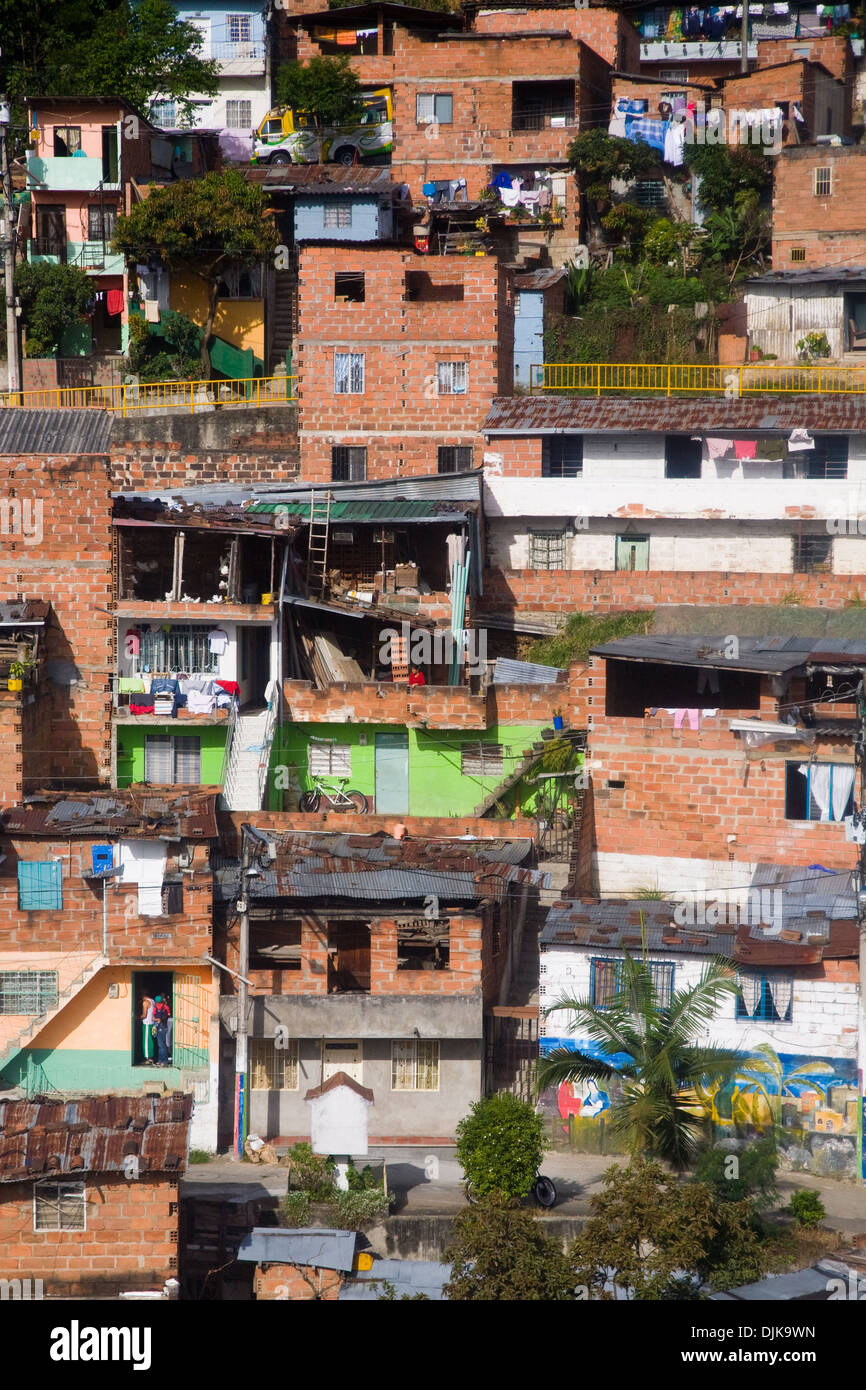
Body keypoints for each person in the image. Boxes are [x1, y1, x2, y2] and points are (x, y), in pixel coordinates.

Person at [152, 994, 171, 1066]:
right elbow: (169, 1014)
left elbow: (155, 1017)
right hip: (162, 1026)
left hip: (161, 1027)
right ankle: (160, 1060)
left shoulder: (157, 1008)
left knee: (161, 1045)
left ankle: (164, 1061)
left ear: (156, 1002)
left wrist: (156, 1019)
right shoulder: (165, 1007)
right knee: (161, 1045)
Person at [140, 993, 155, 1065]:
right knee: (151, 1041)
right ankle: (151, 1057)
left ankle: (147, 1058)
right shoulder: (153, 1001)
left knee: (146, 1042)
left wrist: (137, 1017)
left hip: (147, 1024)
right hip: (152, 1024)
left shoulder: (145, 1002)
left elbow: (144, 1015)